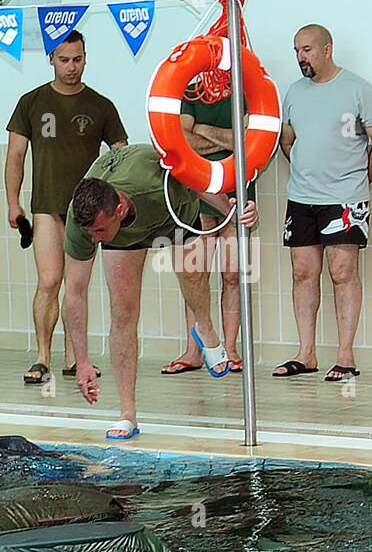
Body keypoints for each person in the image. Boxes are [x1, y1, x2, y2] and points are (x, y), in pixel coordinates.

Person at [61, 144, 258, 441]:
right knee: (123, 312)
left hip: (173, 211)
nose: (94, 239)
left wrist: (235, 211)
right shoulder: (84, 222)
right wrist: (83, 360)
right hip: (125, 235)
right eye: (91, 233)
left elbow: (197, 179)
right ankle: (128, 414)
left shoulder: (157, 183)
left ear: (120, 208)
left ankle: (204, 327)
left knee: (192, 273)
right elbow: (74, 293)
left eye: (98, 232)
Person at [5, 29, 126, 386]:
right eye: (64, 60)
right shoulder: (31, 101)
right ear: (51, 60)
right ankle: (43, 356)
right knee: (49, 281)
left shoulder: (100, 105)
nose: (72, 67)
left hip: (84, 213)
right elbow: (15, 156)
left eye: (78, 59)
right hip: (45, 206)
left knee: (77, 286)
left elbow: (120, 153)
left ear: (85, 58)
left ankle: (77, 358)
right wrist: (13, 203)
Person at [276, 24, 372, 382]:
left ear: (328, 49)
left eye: (308, 50)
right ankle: (306, 353)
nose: (301, 57)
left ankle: (345, 356)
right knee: (302, 273)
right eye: (297, 50)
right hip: (302, 197)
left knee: (342, 273)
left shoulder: (357, 89)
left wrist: (357, 182)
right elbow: (287, 142)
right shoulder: (294, 92)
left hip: (345, 199)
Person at [159, 87, 257, 376]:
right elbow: (183, 141)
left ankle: (230, 347)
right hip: (197, 192)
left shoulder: (244, 90)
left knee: (232, 275)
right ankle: (194, 351)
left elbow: (246, 141)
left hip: (234, 192)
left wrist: (202, 131)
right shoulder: (190, 92)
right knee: (195, 276)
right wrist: (225, 137)